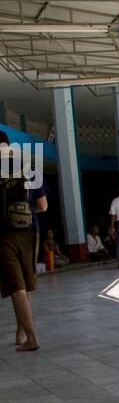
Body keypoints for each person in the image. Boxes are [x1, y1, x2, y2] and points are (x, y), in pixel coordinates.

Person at [0, 131, 46, 350]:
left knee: (15, 286)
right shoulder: (27, 165)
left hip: (4, 235)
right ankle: (21, 332)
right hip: (30, 232)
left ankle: (32, 337)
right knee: (24, 285)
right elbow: (43, 205)